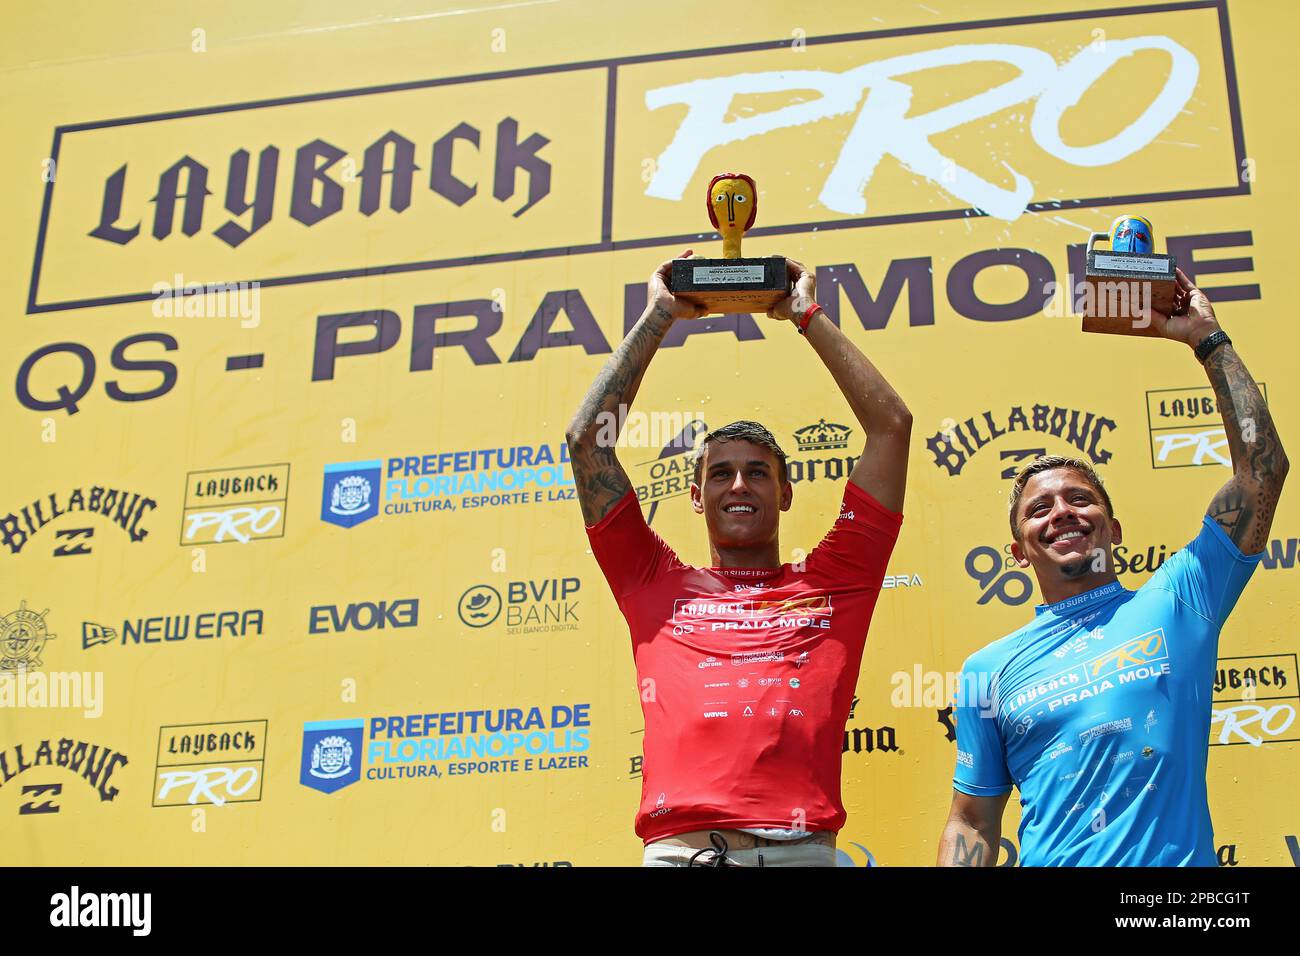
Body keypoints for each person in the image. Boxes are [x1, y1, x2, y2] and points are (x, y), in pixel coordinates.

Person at [565, 252, 912, 866]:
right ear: (697, 497)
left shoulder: (839, 581)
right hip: (681, 855)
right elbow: (586, 440)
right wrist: (658, 317)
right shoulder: (650, 578)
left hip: (801, 853)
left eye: (758, 473)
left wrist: (806, 315)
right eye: (720, 473)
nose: (739, 486)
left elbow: (891, 426)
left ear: (785, 492)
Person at [937, 268, 1288, 866]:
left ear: (1113, 529)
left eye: (1081, 499)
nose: (1063, 514)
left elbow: (1263, 470)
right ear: (1019, 550)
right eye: (1039, 509)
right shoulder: (986, 672)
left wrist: (1207, 340)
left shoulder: (1181, 599)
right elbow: (972, 822)